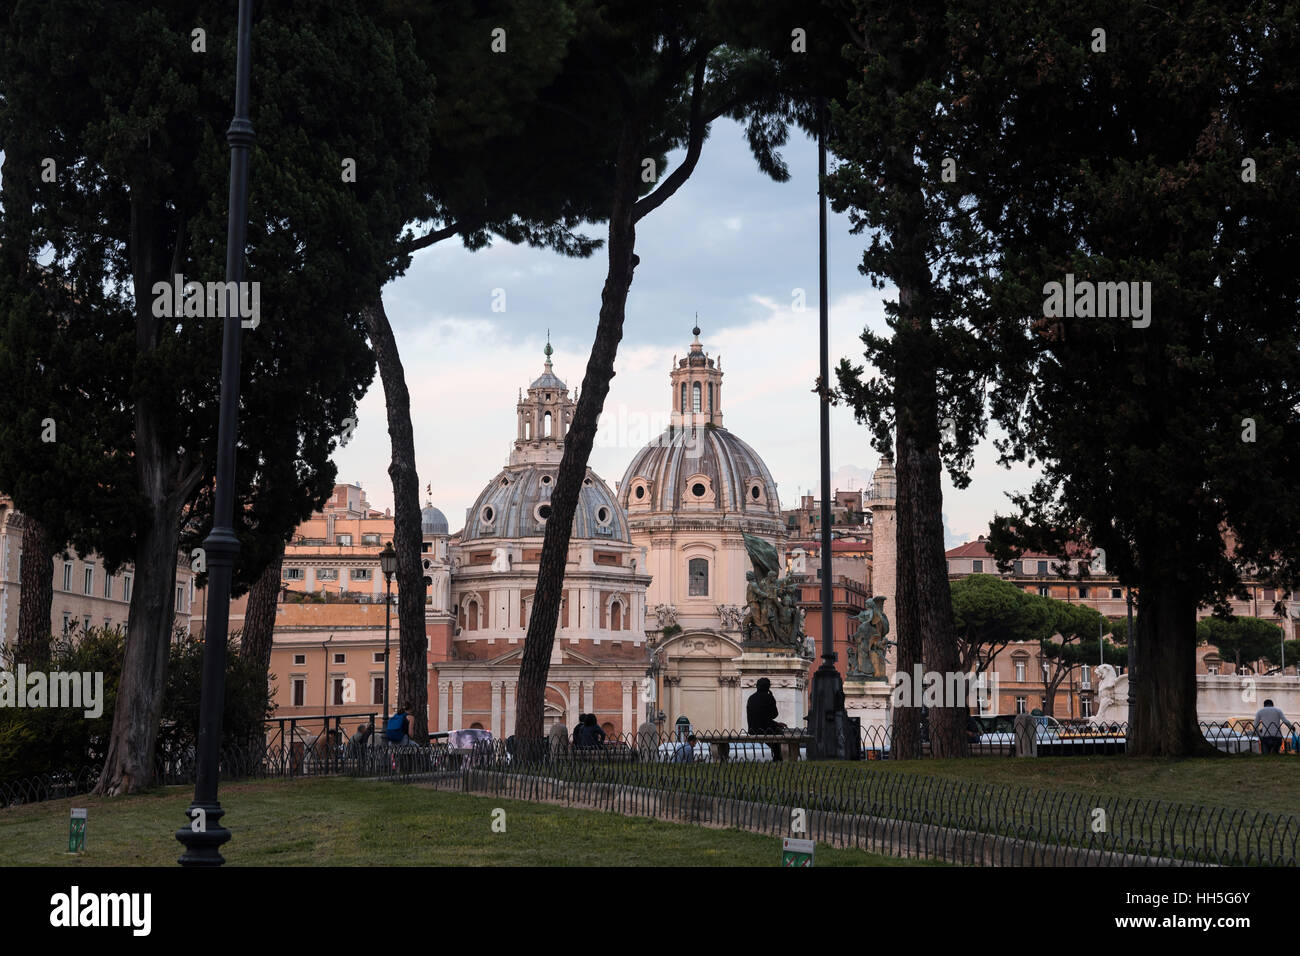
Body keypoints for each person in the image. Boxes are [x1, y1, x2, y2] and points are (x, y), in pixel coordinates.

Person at [746, 677, 786, 761]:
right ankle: (778, 756)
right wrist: (771, 698)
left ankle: (777, 755)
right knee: (780, 733)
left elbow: (759, 717)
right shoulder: (769, 697)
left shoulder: (751, 698)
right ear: (768, 687)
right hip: (765, 729)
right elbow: (774, 715)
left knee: (772, 734)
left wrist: (776, 723)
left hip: (753, 729)